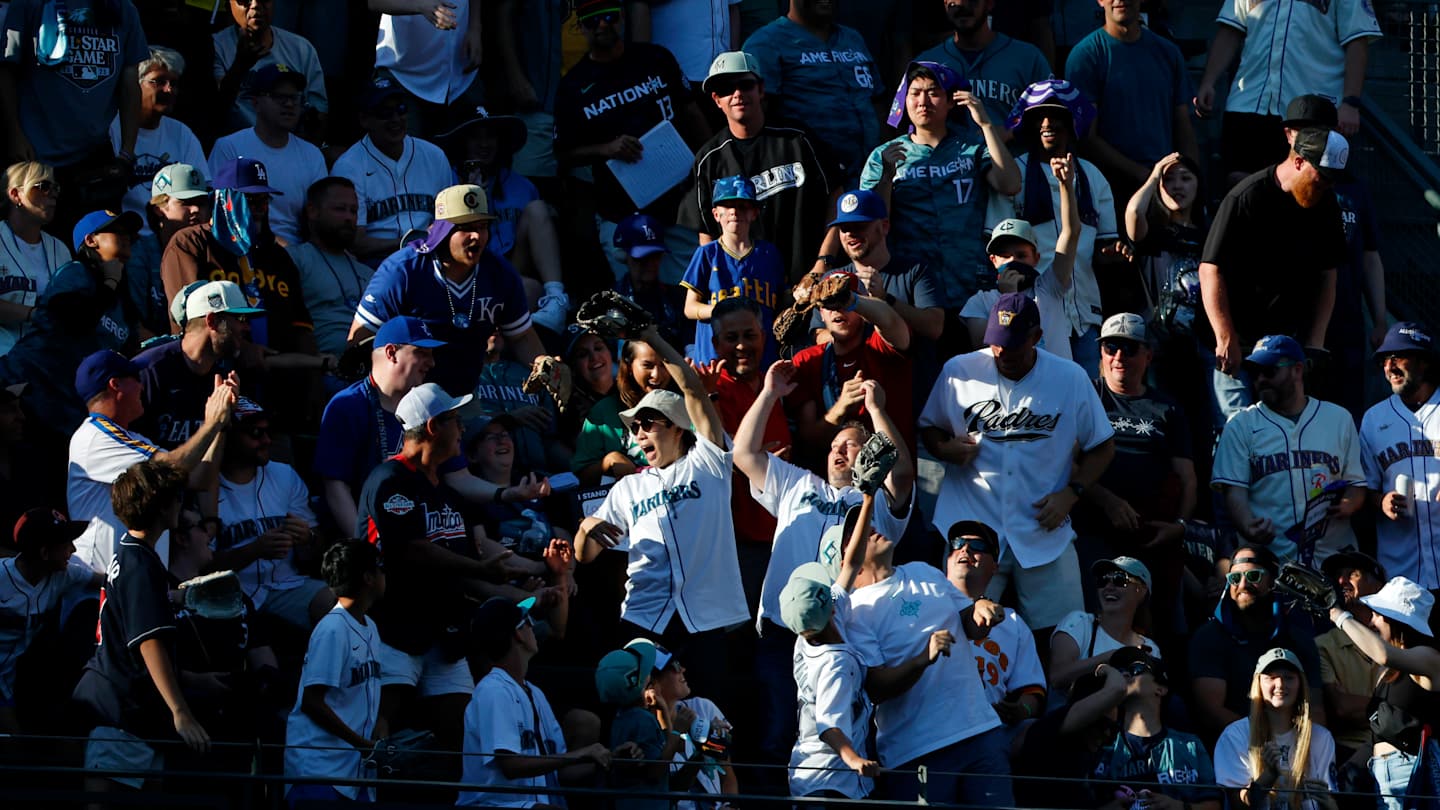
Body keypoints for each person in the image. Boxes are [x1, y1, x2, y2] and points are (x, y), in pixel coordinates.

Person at [734, 359, 912, 768]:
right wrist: (769, 394)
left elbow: (900, 473)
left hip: (847, 632)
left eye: (849, 445)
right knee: (777, 731)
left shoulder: (877, 502)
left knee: (839, 734)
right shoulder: (798, 483)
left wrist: (877, 411)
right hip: (784, 630)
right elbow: (743, 452)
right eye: (833, 446)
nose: (838, 451)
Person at [920, 292, 1116, 635]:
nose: (1001, 352)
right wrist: (946, 449)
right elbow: (930, 429)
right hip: (973, 528)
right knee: (961, 632)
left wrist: (1072, 492)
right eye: (996, 342)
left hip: (1043, 528)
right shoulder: (960, 371)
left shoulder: (1068, 378)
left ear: (1037, 338)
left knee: (1067, 636)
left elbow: (1102, 445)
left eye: (1012, 344)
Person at [354, 382, 531, 748]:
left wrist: (514, 589)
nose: (463, 429)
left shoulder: (448, 493)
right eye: (456, 420)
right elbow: (412, 550)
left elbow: (463, 563)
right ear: (434, 427)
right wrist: (482, 569)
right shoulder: (390, 481)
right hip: (393, 630)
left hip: (444, 633)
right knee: (378, 720)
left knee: (459, 733)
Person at [576, 325, 749, 698]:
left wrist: (651, 337)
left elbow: (692, 391)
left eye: (647, 423)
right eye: (634, 426)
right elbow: (585, 555)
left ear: (676, 427)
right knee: (645, 718)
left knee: (707, 717)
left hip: (703, 618)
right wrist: (585, 527)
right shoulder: (629, 487)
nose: (638, 433)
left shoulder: (708, 462)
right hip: (643, 617)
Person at [845, 476, 1011, 805]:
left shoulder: (925, 571)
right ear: (845, 557)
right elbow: (876, 687)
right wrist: (924, 658)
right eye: (856, 531)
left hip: (980, 731)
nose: (873, 526)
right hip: (917, 752)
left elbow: (970, 626)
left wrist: (981, 609)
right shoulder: (854, 612)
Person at [72, 460, 210, 799]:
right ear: (161, 505)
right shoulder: (139, 563)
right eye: (177, 496)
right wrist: (181, 712)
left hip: (132, 715)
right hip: (120, 714)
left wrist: (192, 680)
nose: (181, 502)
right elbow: (148, 643)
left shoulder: (129, 553)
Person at [553, 0, 709, 285]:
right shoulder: (573, 86)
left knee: (688, 291)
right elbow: (563, 153)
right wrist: (606, 149)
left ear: (622, 17)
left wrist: (709, 164)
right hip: (621, 212)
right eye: (592, 21)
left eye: (610, 16)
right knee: (633, 302)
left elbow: (691, 112)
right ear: (581, 28)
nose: (603, 25)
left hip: (680, 202)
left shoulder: (656, 58)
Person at [1198, 129, 1348, 421]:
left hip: (1285, 346)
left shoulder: (1326, 203)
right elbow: (1210, 268)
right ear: (1299, 162)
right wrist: (1224, 334)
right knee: (1238, 428)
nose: (1327, 185)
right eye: (1322, 176)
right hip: (1237, 343)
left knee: (1285, 430)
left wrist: (1316, 341)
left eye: (1333, 179)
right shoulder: (1246, 196)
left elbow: (1328, 273)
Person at [349, 184, 545, 397]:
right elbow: (359, 340)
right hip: (403, 398)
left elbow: (521, 337)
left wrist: (544, 365)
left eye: (482, 226)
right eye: (466, 227)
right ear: (442, 231)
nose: (477, 236)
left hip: (463, 397)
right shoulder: (402, 271)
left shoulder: (499, 273)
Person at [862, 61, 1021, 315]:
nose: (923, 101)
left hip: (970, 285)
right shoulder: (884, 155)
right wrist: (886, 176)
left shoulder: (972, 148)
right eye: (915, 93)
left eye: (934, 92)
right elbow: (871, 226)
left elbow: (1011, 184)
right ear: (904, 101)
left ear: (950, 102)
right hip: (912, 290)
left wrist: (986, 126)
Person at [1075, 313, 1196, 639]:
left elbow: (1188, 478)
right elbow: (1063, 463)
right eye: (1111, 347)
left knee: (1166, 628)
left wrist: (1179, 527)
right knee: (1094, 624)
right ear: (1100, 352)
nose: (1118, 357)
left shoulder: (1167, 409)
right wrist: (1107, 500)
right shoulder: (1086, 397)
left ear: (1148, 355)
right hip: (1093, 530)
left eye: (1129, 349)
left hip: (1152, 535)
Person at [986, 79, 1119, 372]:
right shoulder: (1015, 173)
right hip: (1033, 313)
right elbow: (996, 247)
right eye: (1039, 116)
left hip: (1085, 314)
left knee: (1085, 394)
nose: (1047, 123)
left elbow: (1101, 249)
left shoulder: (1092, 176)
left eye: (1057, 115)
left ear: (1072, 122)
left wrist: (1114, 252)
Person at [67, 349, 236, 575]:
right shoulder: (94, 437)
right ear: (115, 385)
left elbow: (200, 478)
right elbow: (172, 466)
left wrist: (220, 425)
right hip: (99, 589)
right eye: (135, 379)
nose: (142, 386)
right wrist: (211, 423)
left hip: (134, 582)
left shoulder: (133, 438)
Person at [681, 51, 837, 285]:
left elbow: (836, 196)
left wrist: (822, 263)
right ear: (716, 100)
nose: (737, 94)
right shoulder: (708, 159)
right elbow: (707, 233)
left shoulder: (798, 140)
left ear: (761, 89)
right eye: (726, 88)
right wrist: (721, 281)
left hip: (808, 279)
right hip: (746, 290)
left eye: (745, 85)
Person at [1211, 335, 1366, 565]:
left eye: (1270, 371)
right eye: (1255, 372)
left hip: (1334, 560)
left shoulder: (1339, 418)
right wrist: (1247, 524)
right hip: (1272, 563)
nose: (1261, 379)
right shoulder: (1240, 424)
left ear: (1297, 370)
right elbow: (1234, 492)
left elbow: (1357, 484)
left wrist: (1349, 503)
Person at [0, 0, 148, 228]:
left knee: (97, 247)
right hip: (35, 154)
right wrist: (15, 135)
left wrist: (127, 151)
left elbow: (130, 82)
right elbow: (6, 72)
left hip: (94, 155)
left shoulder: (123, 9)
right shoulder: (28, 5)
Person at [1193, 0, 1379, 176]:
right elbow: (1230, 30)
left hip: (1310, 111)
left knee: (1302, 194)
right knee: (1241, 185)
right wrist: (1209, 81)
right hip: (1248, 102)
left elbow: (1357, 41)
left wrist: (1351, 102)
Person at [460, 591, 611, 809]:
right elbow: (511, 766)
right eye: (528, 622)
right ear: (518, 635)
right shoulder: (493, 691)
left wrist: (611, 760)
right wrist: (580, 753)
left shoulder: (534, 692)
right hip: (490, 804)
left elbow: (561, 770)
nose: (533, 627)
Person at [160, 158, 318, 365]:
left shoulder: (278, 256)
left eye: (263, 200)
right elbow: (189, 320)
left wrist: (312, 371)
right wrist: (243, 350)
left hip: (280, 376)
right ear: (224, 200)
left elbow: (301, 327)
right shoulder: (191, 243)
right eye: (250, 201)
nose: (259, 209)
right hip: (215, 371)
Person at [0, 209, 140, 438]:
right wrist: (110, 281)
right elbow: (73, 320)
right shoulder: (75, 273)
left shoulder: (121, 302)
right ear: (91, 240)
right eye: (118, 231)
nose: (126, 239)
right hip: (28, 389)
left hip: (66, 410)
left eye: (130, 236)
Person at [441, 105, 571, 334]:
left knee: (538, 210)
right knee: (526, 290)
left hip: (509, 267)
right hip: (466, 272)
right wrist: (470, 198)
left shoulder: (521, 185)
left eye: (490, 136)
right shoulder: (446, 180)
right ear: (463, 142)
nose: (484, 144)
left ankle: (557, 299)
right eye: (476, 137)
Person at [1063, 0, 1198, 208]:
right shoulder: (1086, 56)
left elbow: (1183, 124)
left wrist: (1191, 178)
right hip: (1107, 192)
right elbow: (1087, 138)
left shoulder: (1168, 53)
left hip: (1165, 189)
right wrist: (1144, 175)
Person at [212, 398, 331, 632]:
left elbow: (318, 547)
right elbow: (200, 568)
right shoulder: (206, 487)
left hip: (285, 587)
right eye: (256, 433)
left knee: (337, 605)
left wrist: (309, 539)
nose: (266, 441)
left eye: (269, 432)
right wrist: (253, 551)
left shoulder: (283, 475)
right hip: (228, 594)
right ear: (228, 436)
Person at [282, 539, 385, 806]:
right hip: (319, 770)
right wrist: (363, 744)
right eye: (380, 568)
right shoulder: (332, 629)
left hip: (354, 772)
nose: (385, 574)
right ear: (368, 578)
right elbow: (312, 702)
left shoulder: (370, 626)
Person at [1189, 545, 1327, 741]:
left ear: (1273, 581)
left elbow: (1315, 709)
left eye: (1253, 576)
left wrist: (1301, 751)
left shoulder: (1297, 638)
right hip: (1234, 749)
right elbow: (1212, 713)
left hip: (1294, 748)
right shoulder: (1209, 637)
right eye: (1234, 579)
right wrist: (1268, 743)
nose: (1243, 585)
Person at [1325, 577, 1440, 809]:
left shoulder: (1430, 658)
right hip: (1382, 775)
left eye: (1378, 615)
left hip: (1415, 774)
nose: (1371, 622)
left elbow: (1382, 653)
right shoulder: (1390, 670)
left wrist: (1338, 614)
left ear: (1397, 620)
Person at [742, 0, 887, 184]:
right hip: (812, 180)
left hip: (871, 176)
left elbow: (878, 102)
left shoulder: (853, 38)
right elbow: (756, 120)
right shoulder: (765, 44)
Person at [788, 263, 914, 459]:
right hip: (830, 483)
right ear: (820, 313)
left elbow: (890, 320)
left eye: (844, 303)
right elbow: (807, 439)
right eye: (828, 304)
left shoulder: (881, 345)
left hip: (888, 479)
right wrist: (841, 407)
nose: (837, 309)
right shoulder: (807, 360)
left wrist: (851, 299)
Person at [0, 508, 103, 735]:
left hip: (15, 680)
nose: (74, 549)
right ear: (45, 553)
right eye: (66, 544)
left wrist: (171, 593)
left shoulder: (64, 575)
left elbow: (110, 583)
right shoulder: (2, 578)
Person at [961, 161, 1077, 360]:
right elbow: (983, 348)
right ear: (993, 260)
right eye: (1005, 255)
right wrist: (1009, 299)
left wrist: (1065, 186)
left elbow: (1071, 233)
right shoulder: (979, 302)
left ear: (1036, 258)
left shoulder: (1050, 287)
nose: (1013, 260)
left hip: (1054, 385)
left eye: (1021, 255)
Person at [330, 76, 451, 265]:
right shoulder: (349, 167)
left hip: (430, 259)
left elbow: (449, 222)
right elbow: (355, 242)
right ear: (364, 119)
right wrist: (410, 244)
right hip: (376, 264)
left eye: (400, 110)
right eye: (384, 113)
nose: (395, 119)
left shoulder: (434, 156)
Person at [784, 559, 878, 803]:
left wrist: (865, 518)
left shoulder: (803, 637)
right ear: (832, 610)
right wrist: (854, 760)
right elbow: (829, 727)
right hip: (832, 783)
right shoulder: (836, 665)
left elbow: (850, 567)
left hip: (806, 774)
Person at [945, 520, 1047, 734]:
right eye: (958, 543)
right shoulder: (925, 603)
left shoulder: (1012, 623)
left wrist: (1022, 710)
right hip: (933, 729)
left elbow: (1032, 690)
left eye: (978, 546)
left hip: (989, 733)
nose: (965, 549)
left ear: (995, 567)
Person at [209, 63, 328, 246]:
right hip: (242, 246)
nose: (288, 104)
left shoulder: (312, 155)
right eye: (279, 97)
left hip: (298, 253)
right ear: (255, 103)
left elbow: (318, 219)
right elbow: (221, 213)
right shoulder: (229, 147)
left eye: (294, 97)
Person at [130, 280, 258, 450]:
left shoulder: (225, 377)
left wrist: (223, 423)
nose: (247, 327)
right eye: (240, 318)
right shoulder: (148, 371)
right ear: (211, 321)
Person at [1092, 647, 1224, 810]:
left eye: (1136, 669)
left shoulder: (1190, 745)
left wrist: (1179, 807)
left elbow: (1214, 805)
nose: (1125, 675)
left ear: (1160, 688)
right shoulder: (1101, 744)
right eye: (1119, 672)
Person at [1361, 322, 1440, 588]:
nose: (1389, 366)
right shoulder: (1374, 419)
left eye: (1398, 357)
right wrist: (1381, 501)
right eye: (1385, 359)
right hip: (1401, 574)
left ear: (1424, 361)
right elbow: (1365, 489)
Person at [1214, 648, 1338, 808]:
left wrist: (1328, 803)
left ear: (1301, 684)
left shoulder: (1321, 737)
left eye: (1289, 678)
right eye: (1271, 677)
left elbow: (1329, 800)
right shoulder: (1234, 735)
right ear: (1258, 683)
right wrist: (1268, 776)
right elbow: (1237, 804)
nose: (1280, 684)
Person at [681, 176, 783, 366]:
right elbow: (690, 308)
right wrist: (723, 312)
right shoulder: (707, 253)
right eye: (727, 206)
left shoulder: (769, 253)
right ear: (715, 214)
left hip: (761, 359)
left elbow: (782, 300)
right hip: (716, 363)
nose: (735, 212)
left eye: (742, 206)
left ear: (754, 213)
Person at [109, 47, 206, 234]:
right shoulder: (112, 129)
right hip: (128, 234)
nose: (169, 90)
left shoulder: (181, 133)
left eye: (174, 83)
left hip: (175, 234)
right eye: (159, 81)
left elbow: (203, 189)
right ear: (134, 85)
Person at [914, 0, 1053, 129]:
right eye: (955, 4)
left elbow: (1052, 118)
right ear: (946, 5)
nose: (964, 7)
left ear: (989, 3)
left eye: (972, 1)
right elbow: (909, 130)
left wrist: (1010, 133)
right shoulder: (926, 63)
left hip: (1012, 153)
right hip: (946, 154)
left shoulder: (1028, 57)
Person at [596, 637, 690, 810]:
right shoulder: (642, 719)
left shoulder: (622, 717)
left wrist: (662, 713)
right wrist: (678, 731)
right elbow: (656, 773)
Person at [286, 177, 375, 358]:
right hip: (322, 366)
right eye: (340, 209)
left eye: (353, 211)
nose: (349, 217)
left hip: (370, 366)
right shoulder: (295, 259)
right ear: (312, 211)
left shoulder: (367, 272)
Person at [572, 336, 678, 485]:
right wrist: (608, 461)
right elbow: (582, 474)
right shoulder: (603, 412)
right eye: (647, 365)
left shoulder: (686, 405)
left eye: (664, 364)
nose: (657, 374)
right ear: (629, 367)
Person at [1049, 557, 1161, 696]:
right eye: (1103, 580)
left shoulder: (1150, 649)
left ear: (1141, 590)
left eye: (1119, 580)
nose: (1108, 587)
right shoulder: (1079, 623)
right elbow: (1057, 677)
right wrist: (1112, 656)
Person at [213, 0, 327, 136]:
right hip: (237, 148)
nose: (255, 5)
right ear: (228, 4)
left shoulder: (301, 49)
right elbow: (214, 111)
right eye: (244, 0)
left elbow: (319, 113)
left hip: (289, 145)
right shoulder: (215, 47)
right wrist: (239, 67)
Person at [369, 0, 486, 133]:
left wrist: (475, 27)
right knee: (407, 151)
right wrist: (420, 5)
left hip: (460, 73)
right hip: (405, 76)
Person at [127, 164, 212, 340]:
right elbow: (135, 327)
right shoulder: (139, 255)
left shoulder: (216, 249)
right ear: (159, 209)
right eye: (185, 203)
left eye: (201, 203)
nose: (195, 209)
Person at [1317, 548, 1387, 761]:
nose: (1341, 580)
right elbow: (1342, 708)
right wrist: (1392, 709)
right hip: (1348, 752)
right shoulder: (1324, 645)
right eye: (1338, 575)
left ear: (1378, 584)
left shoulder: (1402, 636)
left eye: (1352, 574)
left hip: (1398, 749)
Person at [0, 161, 68, 355]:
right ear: (16, 195)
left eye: (55, 187)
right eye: (43, 187)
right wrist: (32, 314)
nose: (53, 194)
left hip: (47, 358)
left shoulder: (60, 249)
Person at [611, 213, 693, 349]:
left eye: (655, 256)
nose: (650, 263)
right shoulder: (611, 301)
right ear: (624, 256)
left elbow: (690, 342)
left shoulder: (678, 298)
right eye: (641, 258)